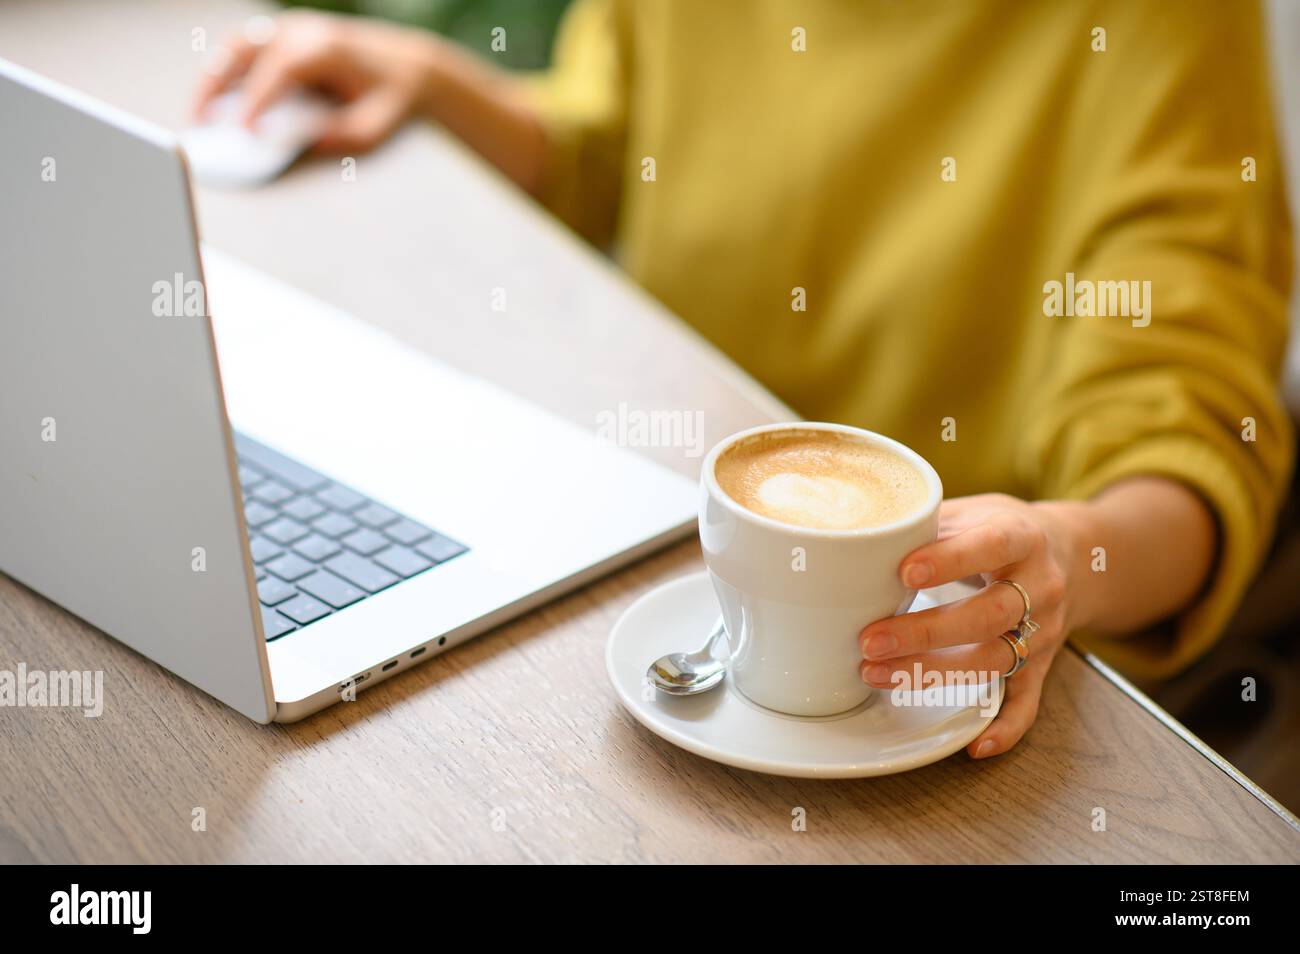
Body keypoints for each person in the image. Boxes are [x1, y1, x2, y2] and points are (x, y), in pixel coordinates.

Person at [194, 1, 1293, 758]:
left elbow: (1184, 443)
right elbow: (618, 156)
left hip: (943, 691)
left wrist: (1067, 554)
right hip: (631, 567)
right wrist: (448, 89)